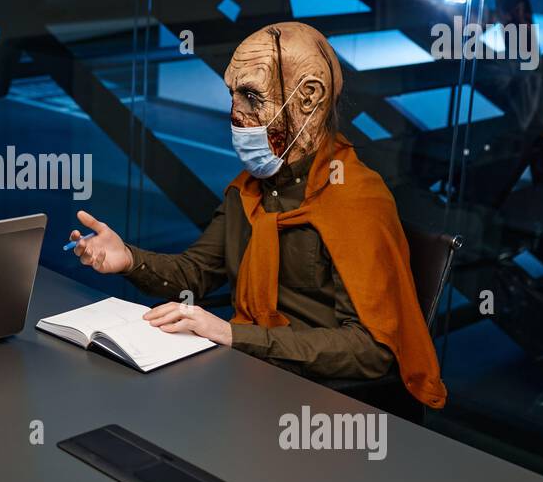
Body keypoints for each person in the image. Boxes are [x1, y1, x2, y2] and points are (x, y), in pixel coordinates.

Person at [69, 21, 446, 408]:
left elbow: (370, 349)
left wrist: (234, 336)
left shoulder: (356, 200)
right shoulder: (253, 187)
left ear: (309, 98)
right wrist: (128, 259)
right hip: (248, 369)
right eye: (232, 94)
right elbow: (195, 273)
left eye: (251, 96)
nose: (234, 114)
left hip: (313, 398)